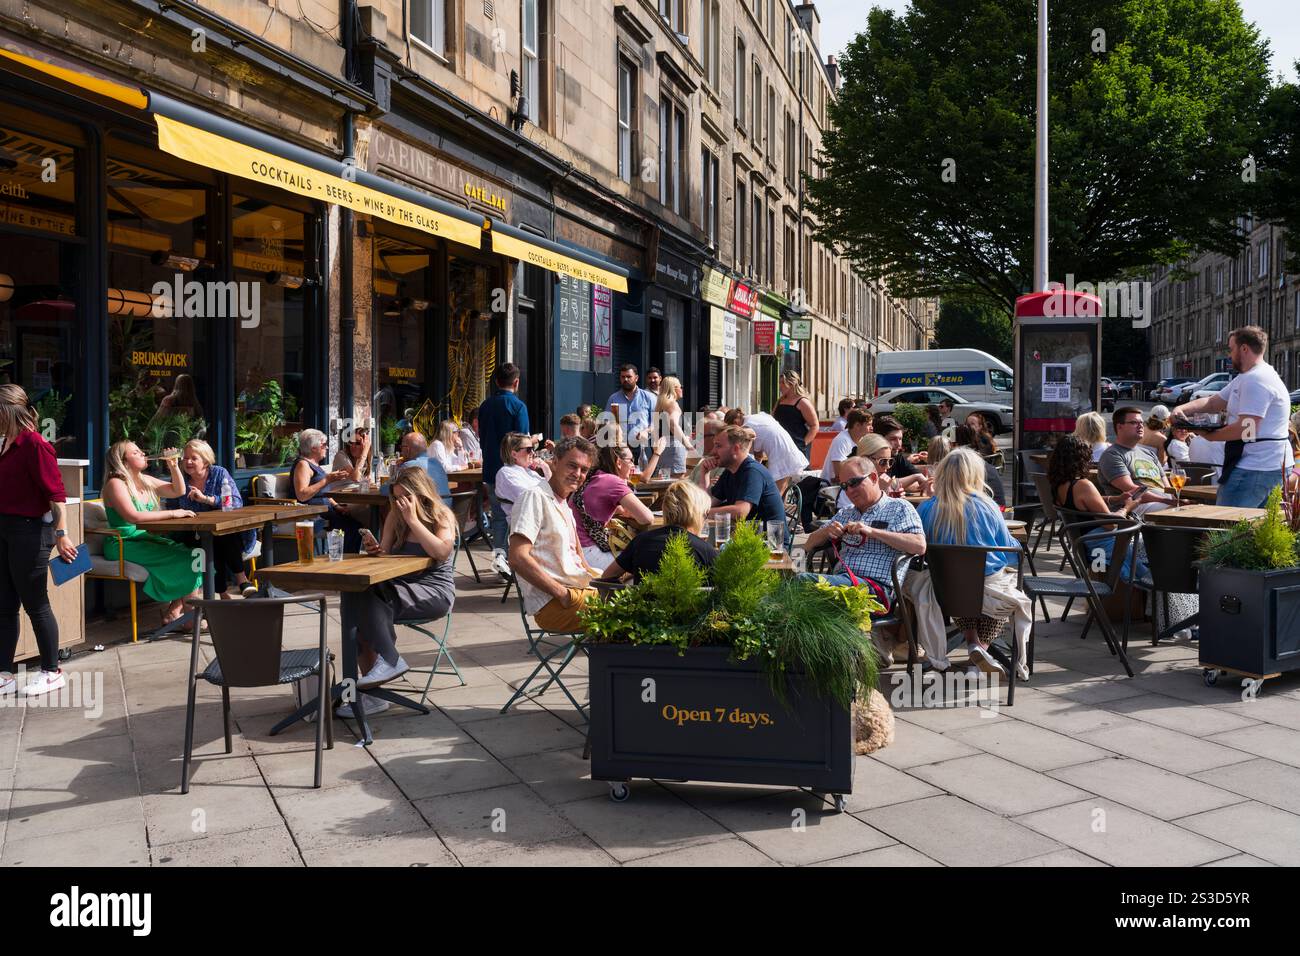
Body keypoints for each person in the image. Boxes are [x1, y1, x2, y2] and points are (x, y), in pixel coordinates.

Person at [342, 467, 458, 717]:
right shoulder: (395, 517)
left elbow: (441, 552)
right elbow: (385, 558)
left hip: (434, 591)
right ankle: (373, 693)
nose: (400, 503)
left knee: (363, 603)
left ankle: (389, 661)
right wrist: (376, 550)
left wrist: (414, 521)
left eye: (406, 497)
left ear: (421, 494)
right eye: (395, 498)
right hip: (398, 588)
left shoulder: (441, 516)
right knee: (356, 599)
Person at [907, 449, 1031, 680]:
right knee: (1004, 576)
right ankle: (980, 647)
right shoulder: (987, 507)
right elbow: (1011, 552)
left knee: (963, 583)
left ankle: (973, 642)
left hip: (944, 593)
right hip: (988, 592)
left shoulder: (926, 508)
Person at [0, 385, 78, 697]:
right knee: (4, 606)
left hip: (29, 532)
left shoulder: (34, 445)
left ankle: (51, 671)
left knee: (36, 604)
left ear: (8, 411)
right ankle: (4, 673)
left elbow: (56, 496)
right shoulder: (5, 444)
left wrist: (62, 534)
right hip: (3, 529)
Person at [1179, 326, 1293, 508]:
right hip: (1267, 463)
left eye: (1231, 349)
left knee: (1226, 527)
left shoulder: (1255, 379)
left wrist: (1208, 435)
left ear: (1244, 349)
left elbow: (1246, 429)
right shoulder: (1249, 377)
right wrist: (1182, 410)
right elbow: (1213, 402)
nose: (1229, 355)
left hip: (1255, 467)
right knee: (1255, 529)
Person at [800, 456, 926, 610]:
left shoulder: (899, 508)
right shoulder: (845, 513)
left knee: (802, 583)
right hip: (843, 582)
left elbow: (919, 546)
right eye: (844, 486)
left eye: (854, 483)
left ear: (873, 478)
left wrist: (872, 531)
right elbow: (809, 543)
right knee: (795, 590)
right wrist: (828, 531)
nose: (849, 491)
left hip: (875, 590)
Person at [100, 440, 203, 627]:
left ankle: (175, 612)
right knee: (189, 559)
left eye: (141, 450)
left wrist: (173, 465)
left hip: (143, 539)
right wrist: (173, 513)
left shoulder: (144, 480)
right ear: (123, 460)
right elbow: (133, 517)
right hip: (123, 543)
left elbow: (178, 490)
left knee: (198, 556)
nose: (143, 454)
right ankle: (190, 616)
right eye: (136, 452)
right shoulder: (116, 483)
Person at [508, 436, 600, 632]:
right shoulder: (535, 497)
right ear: (555, 462)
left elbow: (581, 561)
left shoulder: (565, 505)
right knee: (633, 608)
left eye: (584, 470)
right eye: (572, 466)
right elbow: (517, 558)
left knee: (641, 589)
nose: (578, 474)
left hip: (580, 589)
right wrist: (562, 594)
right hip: (554, 603)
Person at [168, 439, 257, 599]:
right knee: (211, 539)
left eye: (193, 458)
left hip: (224, 533)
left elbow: (236, 502)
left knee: (219, 535)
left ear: (205, 460)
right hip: (190, 533)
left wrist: (207, 499)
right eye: (185, 458)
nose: (188, 462)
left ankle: (223, 591)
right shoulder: (179, 479)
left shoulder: (219, 473)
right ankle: (239, 582)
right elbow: (172, 507)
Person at [1049, 436, 1148, 577]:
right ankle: (1151, 591)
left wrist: (1115, 499)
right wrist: (1127, 507)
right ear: (1082, 459)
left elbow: (1080, 503)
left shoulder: (1059, 485)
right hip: (1107, 547)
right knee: (1152, 547)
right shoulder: (1083, 485)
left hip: (1087, 547)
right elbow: (1111, 524)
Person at [601, 480, 717, 584]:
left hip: (643, 607)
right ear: (695, 514)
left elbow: (606, 577)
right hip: (689, 607)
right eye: (704, 515)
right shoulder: (705, 551)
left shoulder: (641, 541)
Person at [570, 442, 654, 571]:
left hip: (574, 548)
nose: (633, 465)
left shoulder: (594, 475)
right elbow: (647, 518)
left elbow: (596, 505)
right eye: (630, 460)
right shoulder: (613, 482)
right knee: (647, 561)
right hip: (588, 552)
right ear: (618, 462)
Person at [478, 363, 529, 575]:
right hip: (512, 471)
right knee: (521, 517)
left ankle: (501, 559)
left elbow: (481, 438)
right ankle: (517, 562)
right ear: (516, 383)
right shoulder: (518, 407)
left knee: (499, 516)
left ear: (496, 382)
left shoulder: (485, 406)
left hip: (490, 468)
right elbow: (523, 441)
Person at [703, 425, 787, 535]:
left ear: (736, 449)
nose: (713, 451)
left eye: (718, 446)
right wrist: (704, 473)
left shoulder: (752, 472)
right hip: (746, 538)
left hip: (769, 545)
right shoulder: (730, 471)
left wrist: (703, 513)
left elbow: (740, 511)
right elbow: (707, 503)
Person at [293, 429, 364, 552]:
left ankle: (349, 559)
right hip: (314, 511)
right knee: (352, 527)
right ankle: (346, 560)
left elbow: (324, 492)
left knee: (357, 524)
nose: (327, 447)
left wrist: (337, 506)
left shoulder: (314, 464)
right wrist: (327, 479)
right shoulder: (303, 465)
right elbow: (302, 495)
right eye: (324, 445)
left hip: (328, 509)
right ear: (314, 447)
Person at [802, 407, 873, 529]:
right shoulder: (842, 440)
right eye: (869, 425)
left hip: (849, 484)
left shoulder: (860, 440)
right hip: (834, 487)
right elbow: (839, 473)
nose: (872, 428)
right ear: (857, 425)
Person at [1097, 407, 1175, 516]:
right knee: (1180, 512)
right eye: (1134, 422)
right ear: (1119, 427)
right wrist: (1169, 501)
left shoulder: (1150, 453)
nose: (1140, 426)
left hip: (1162, 503)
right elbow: (1133, 492)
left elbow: (1167, 488)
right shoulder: (1112, 455)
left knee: (1197, 510)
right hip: (1135, 507)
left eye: (1141, 422)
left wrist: (1177, 499)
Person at [723, 408, 808, 494]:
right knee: (782, 490)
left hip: (780, 453)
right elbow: (758, 454)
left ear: (735, 422)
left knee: (777, 492)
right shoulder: (758, 416)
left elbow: (755, 453)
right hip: (788, 448)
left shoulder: (746, 427)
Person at [494, 432, 551, 521]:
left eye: (533, 448)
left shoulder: (529, 471)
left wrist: (545, 467)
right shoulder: (506, 473)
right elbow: (530, 499)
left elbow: (552, 488)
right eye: (529, 449)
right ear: (514, 454)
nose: (533, 452)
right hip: (527, 526)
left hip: (543, 520)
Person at [606, 364, 657, 459]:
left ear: (636, 378)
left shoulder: (649, 398)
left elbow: (656, 422)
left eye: (629, 377)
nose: (625, 379)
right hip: (620, 448)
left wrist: (646, 431)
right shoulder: (613, 399)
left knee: (644, 473)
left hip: (642, 447)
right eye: (623, 377)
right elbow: (607, 421)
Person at [953, 424, 1005, 506]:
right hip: (999, 512)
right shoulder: (982, 464)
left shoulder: (964, 466)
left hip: (988, 512)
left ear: (955, 445)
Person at [875, 415, 929, 494]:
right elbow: (882, 485)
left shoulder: (898, 457)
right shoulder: (870, 458)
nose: (899, 444)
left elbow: (921, 483)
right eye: (893, 439)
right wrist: (914, 478)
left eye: (900, 439)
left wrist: (900, 484)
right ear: (879, 438)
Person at [772, 370, 819, 456]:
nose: (780, 386)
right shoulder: (780, 401)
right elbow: (772, 420)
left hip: (797, 447)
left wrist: (803, 444)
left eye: (783, 383)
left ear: (791, 384)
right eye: (780, 382)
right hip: (780, 446)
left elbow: (814, 426)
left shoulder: (803, 402)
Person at [653, 375, 691, 476]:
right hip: (674, 449)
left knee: (665, 483)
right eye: (680, 386)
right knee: (676, 484)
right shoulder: (673, 404)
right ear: (674, 388)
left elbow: (655, 430)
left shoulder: (661, 405)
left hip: (664, 449)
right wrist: (687, 444)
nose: (682, 389)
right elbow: (673, 424)